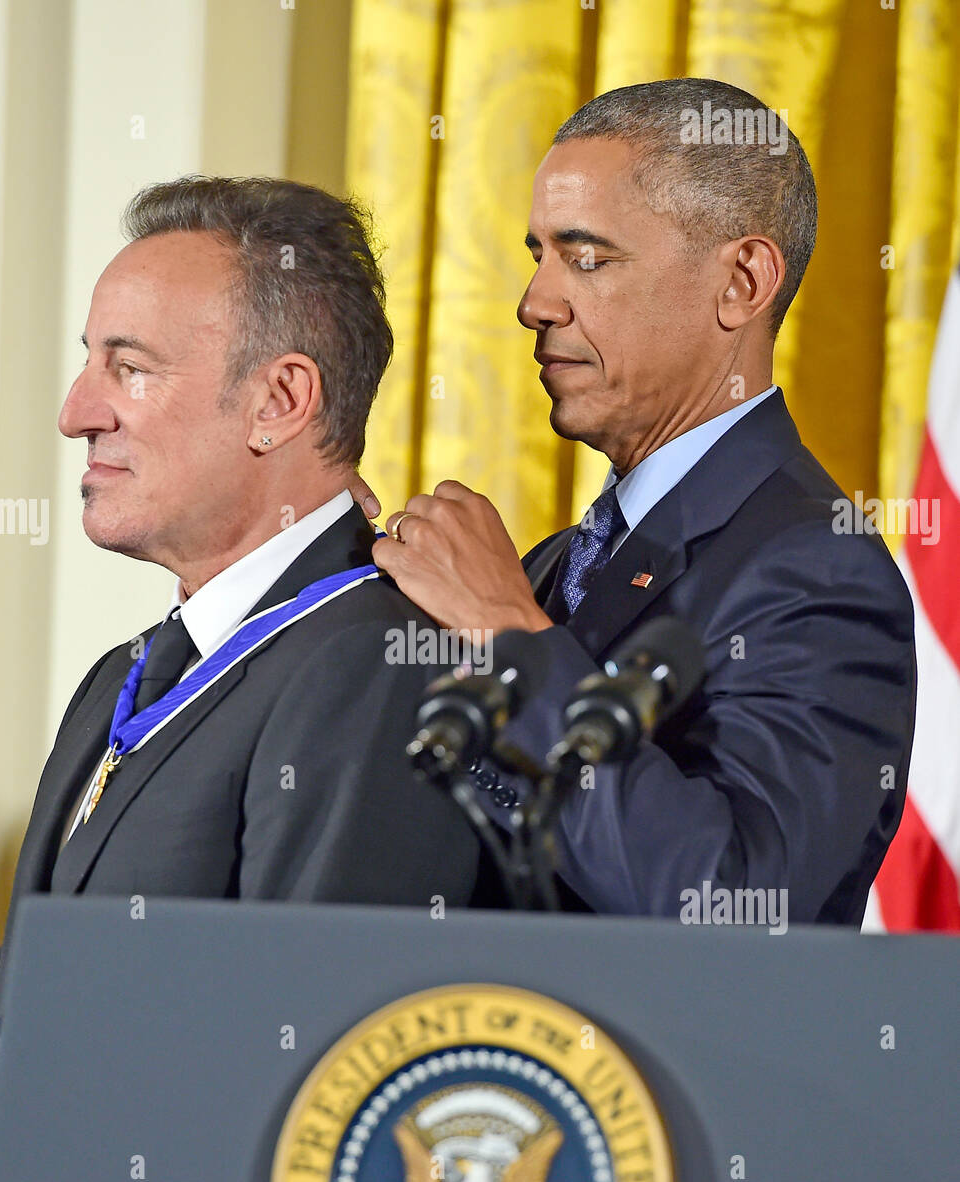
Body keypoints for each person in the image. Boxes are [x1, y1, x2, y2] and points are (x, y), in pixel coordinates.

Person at [0, 176, 484, 1182]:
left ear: (278, 399)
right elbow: (6, 1057)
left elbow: (306, 1097)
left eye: (129, 367)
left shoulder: (377, 665)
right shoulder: (119, 680)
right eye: (90, 360)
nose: (78, 409)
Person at [361, 78, 917, 926]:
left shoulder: (819, 568)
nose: (534, 303)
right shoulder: (552, 566)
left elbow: (737, 905)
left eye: (585, 257)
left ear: (741, 281)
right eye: (535, 255)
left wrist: (510, 639)